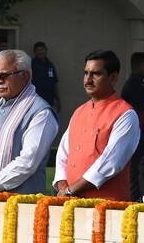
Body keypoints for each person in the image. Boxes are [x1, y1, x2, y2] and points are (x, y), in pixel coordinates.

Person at [0, 49, 59, 194]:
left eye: (5, 75)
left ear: (25, 76)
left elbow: (27, 162)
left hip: (20, 206)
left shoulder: (40, 112)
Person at [53, 50, 140, 202]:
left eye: (96, 74)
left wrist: (70, 190)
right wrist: (62, 187)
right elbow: (63, 154)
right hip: (71, 204)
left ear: (113, 77)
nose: (88, 79)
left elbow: (111, 162)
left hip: (108, 208)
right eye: (86, 73)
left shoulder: (125, 114)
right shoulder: (79, 112)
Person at [121, 52, 144, 200]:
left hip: (138, 131)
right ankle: (136, 196)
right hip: (138, 131)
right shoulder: (135, 84)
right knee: (137, 165)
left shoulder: (136, 82)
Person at [30, 42, 60, 115]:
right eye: (38, 50)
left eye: (42, 49)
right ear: (34, 52)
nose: (40, 52)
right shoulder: (31, 65)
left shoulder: (50, 65)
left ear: (46, 50)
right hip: (36, 101)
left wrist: (58, 99)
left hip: (49, 101)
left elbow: (54, 83)